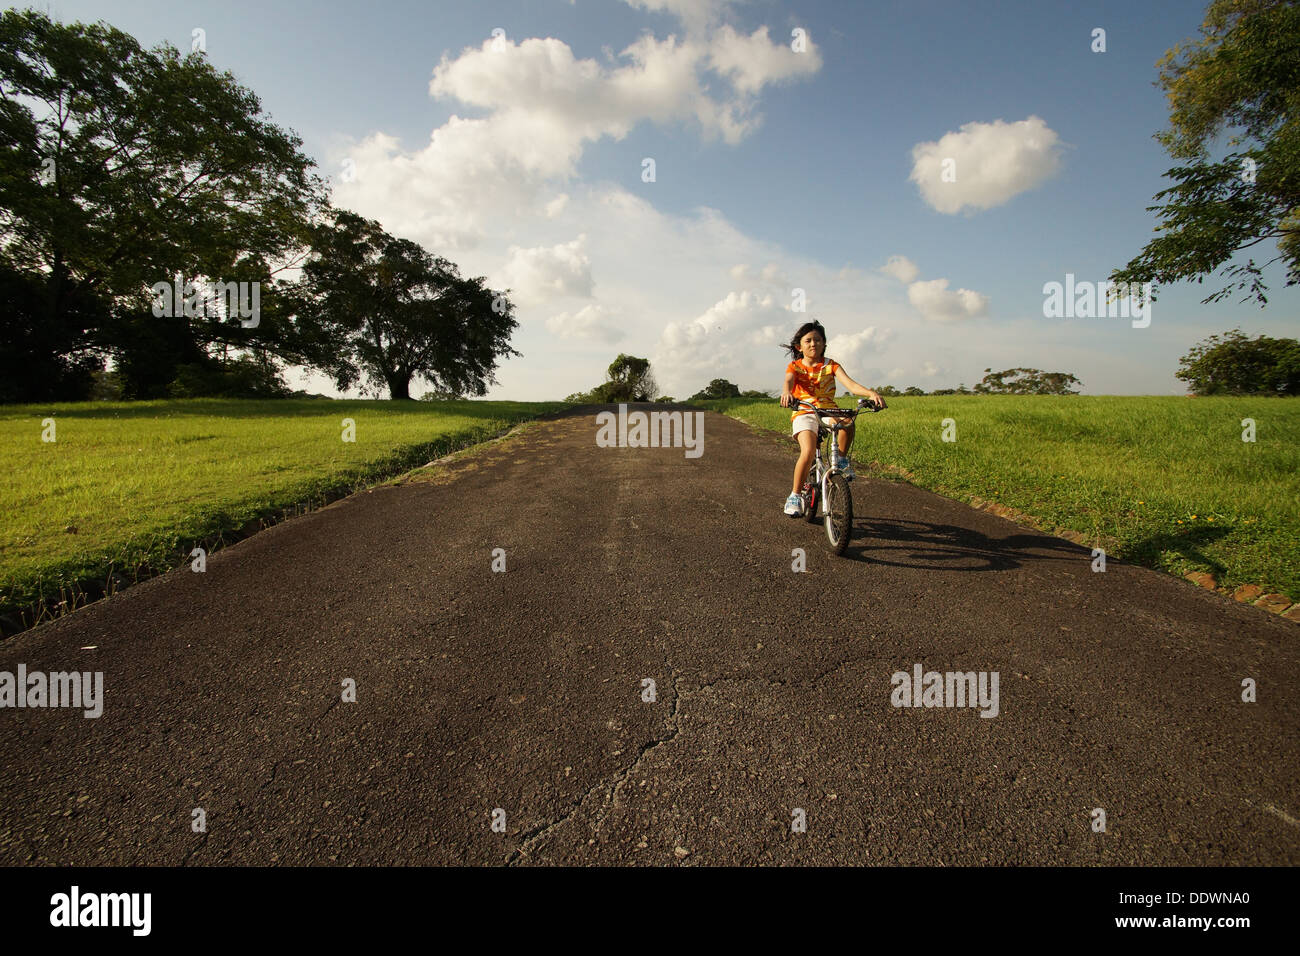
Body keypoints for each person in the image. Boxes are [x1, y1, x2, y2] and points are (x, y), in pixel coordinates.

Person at [778, 320, 886, 517]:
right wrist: (786, 393)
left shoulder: (831, 365)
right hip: (804, 411)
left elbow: (851, 385)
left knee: (847, 423)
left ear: (824, 343)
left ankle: (841, 461)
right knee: (809, 450)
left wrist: (871, 394)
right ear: (799, 346)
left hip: (828, 411)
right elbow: (788, 382)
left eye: (818, 340)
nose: (813, 344)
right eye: (808, 340)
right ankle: (794, 494)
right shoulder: (794, 366)